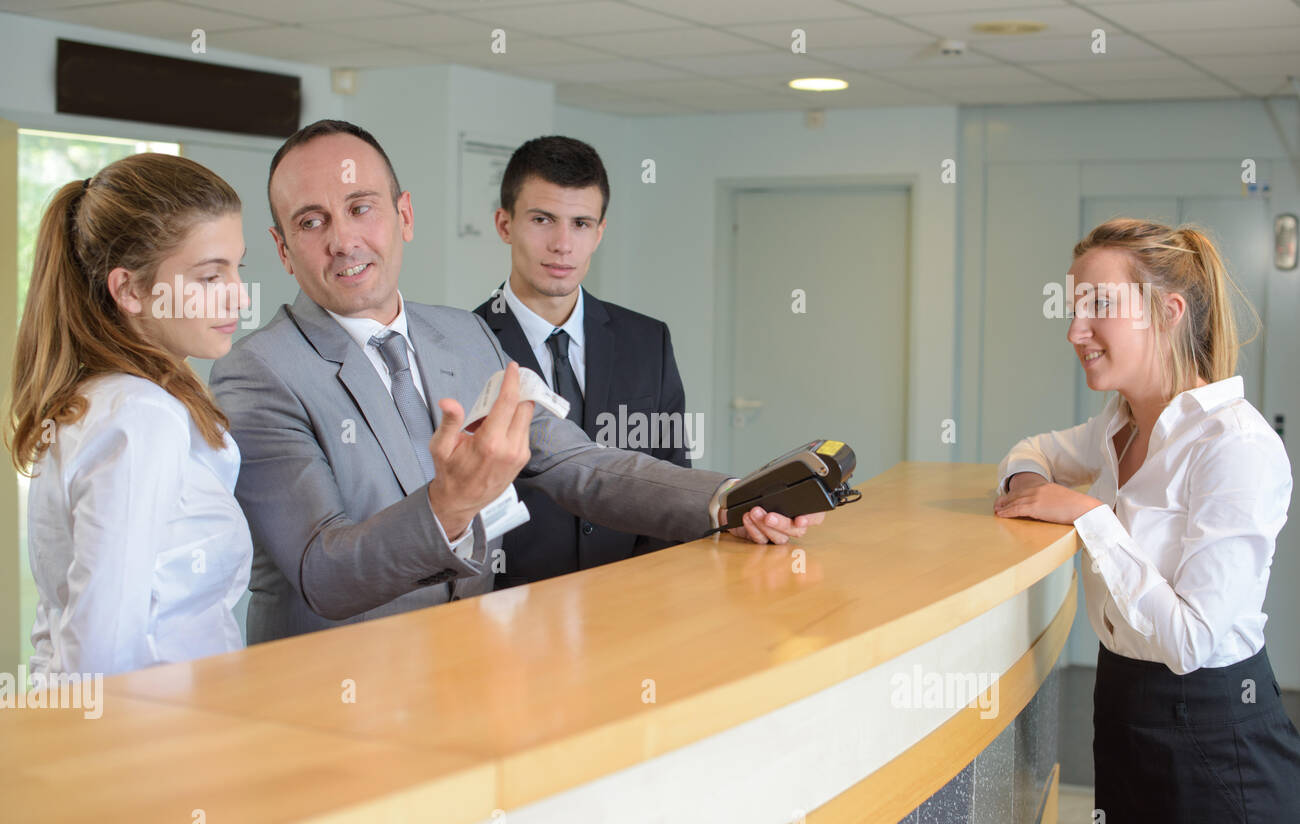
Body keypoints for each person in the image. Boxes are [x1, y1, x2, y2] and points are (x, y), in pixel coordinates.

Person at [210, 119, 821, 645]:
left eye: (360, 208)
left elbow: (580, 464)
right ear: (284, 249)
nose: (344, 240)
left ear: (404, 216)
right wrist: (450, 505)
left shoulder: (464, 336)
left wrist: (730, 500)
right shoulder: (256, 373)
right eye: (312, 221)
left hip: (469, 667)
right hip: (334, 703)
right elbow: (325, 572)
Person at [993, 217, 1300, 824]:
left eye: (1098, 306)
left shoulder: (1234, 446)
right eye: (1074, 309)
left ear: (1169, 311)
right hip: (1123, 704)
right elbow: (1034, 450)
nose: (1077, 331)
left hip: (1215, 735)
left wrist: (1087, 515)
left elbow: (1191, 639)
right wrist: (1030, 486)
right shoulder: (1120, 424)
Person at [6, 153, 253, 677]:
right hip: (141, 740)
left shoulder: (103, 400)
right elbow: (99, 645)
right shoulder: (140, 416)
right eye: (210, 277)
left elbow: (67, 614)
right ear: (130, 290)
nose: (238, 295)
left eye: (238, 268)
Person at [474, 135, 690, 588]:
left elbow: (672, 479)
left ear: (600, 232)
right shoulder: (460, 346)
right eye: (542, 219)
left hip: (629, 603)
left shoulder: (647, 340)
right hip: (510, 609)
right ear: (504, 224)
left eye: (580, 223)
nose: (562, 244)